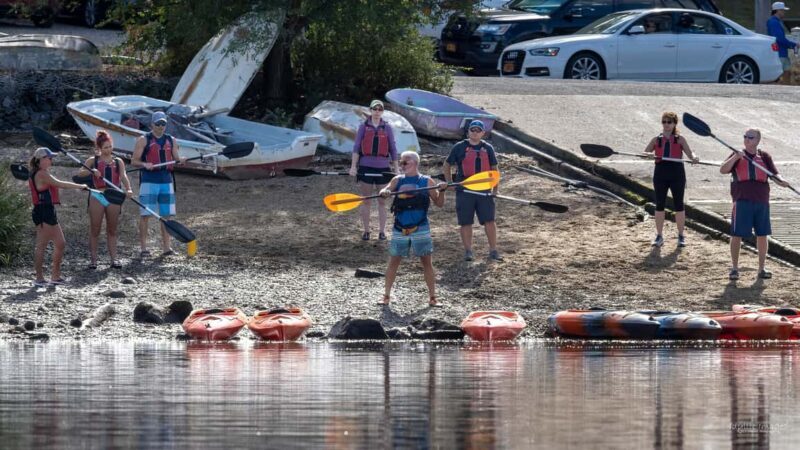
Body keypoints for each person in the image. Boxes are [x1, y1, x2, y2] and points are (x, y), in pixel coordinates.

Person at [719, 129, 789, 280]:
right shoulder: (737, 154)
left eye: (750, 137)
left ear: (757, 140)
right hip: (742, 199)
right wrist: (735, 158)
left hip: (761, 200)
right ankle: (735, 268)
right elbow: (723, 169)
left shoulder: (764, 156)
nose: (747, 139)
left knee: (762, 235)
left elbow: (774, 174)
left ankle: (762, 268)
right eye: (745, 137)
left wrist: (781, 181)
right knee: (737, 234)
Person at [379, 151, 446, 306]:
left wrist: (442, 191)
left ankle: (433, 298)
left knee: (426, 262)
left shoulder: (427, 181)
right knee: (393, 262)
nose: (402, 166)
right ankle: (386, 296)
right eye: (401, 162)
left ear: (415, 163)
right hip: (399, 227)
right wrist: (385, 192)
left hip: (421, 227)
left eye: (405, 163)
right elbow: (385, 190)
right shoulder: (397, 180)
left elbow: (439, 203)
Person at [28, 147, 91, 287]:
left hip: (47, 210)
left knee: (60, 243)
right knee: (42, 245)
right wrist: (80, 186)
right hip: (43, 211)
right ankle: (39, 279)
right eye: (49, 158)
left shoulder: (42, 172)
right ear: (41, 160)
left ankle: (54, 276)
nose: (51, 160)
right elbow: (60, 184)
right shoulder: (41, 174)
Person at [442, 120, 501, 261]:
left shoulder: (488, 148)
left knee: (489, 220)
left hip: (484, 189)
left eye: (478, 130)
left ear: (483, 133)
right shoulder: (459, 147)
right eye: (472, 130)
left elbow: (494, 169)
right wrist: (450, 182)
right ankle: (468, 251)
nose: (474, 133)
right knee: (466, 222)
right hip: (464, 189)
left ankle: (493, 250)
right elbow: (447, 164)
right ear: (468, 132)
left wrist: (495, 189)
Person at [131, 111, 186, 257]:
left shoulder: (171, 140)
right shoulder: (143, 140)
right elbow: (134, 161)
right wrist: (144, 164)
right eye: (158, 123)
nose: (161, 126)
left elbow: (176, 158)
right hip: (149, 181)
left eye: (163, 123)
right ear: (152, 124)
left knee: (166, 216)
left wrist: (181, 160)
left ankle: (167, 248)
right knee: (145, 215)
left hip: (166, 181)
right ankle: (143, 248)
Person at [76, 130, 133, 269]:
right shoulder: (93, 160)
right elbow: (79, 173)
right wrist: (91, 171)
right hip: (98, 195)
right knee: (95, 229)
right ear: (99, 148)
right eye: (105, 147)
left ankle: (114, 259)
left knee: (112, 229)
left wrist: (129, 188)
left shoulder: (118, 161)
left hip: (114, 196)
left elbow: (123, 176)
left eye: (110, 146)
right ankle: (93, 260)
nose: (108, 150)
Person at [643, 112, 699, 248]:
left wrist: (694, 158)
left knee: (679, 204)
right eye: (664, 122)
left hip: (677, 173)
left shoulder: (680, 139)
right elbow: (644, 153)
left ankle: (681, 236)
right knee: (659, 204)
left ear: (674, 124)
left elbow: (690, 153)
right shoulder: (657, 139)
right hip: (660, 173)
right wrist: (649, 155)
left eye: (669, 122)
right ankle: (659, 236)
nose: (666, 124)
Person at [349, 100, 400, 240]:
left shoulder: (387, 127)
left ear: (382, 111)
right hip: (366, 166)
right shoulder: (363, 127)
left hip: (383, 168)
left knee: (382, 201)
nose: (377, 111)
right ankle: (366, 231)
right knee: (366, 200)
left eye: (380, 109)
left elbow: (393, 149)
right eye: (375, 109)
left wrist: (396, 168)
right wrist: (353, 166)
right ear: (370, 110)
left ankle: (382, 231)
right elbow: (356, 148)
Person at [767, 2, 797, 82]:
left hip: (781, 52)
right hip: (779, 54)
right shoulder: (774, 22)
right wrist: (794, 45)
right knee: (784, 75)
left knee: (787, 73)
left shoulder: (775, 21)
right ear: (778, 11)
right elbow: (779, 39)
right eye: (783, 10)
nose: (784, 12)